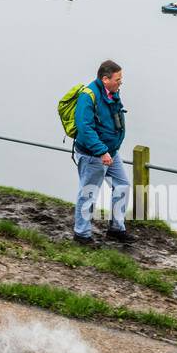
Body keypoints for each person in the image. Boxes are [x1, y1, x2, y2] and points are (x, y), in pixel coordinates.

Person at [72, 59, 133, 246]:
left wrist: (110, 150)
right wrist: (101, 151)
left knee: (122, 185)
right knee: (88, 192)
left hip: (111, 152)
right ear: (105, 79)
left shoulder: (113, 92)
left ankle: (116, 228)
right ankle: (81, 234)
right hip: (93, 154)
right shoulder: (87, 96)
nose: (121, 82)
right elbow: (85, 127)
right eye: (118, 79)